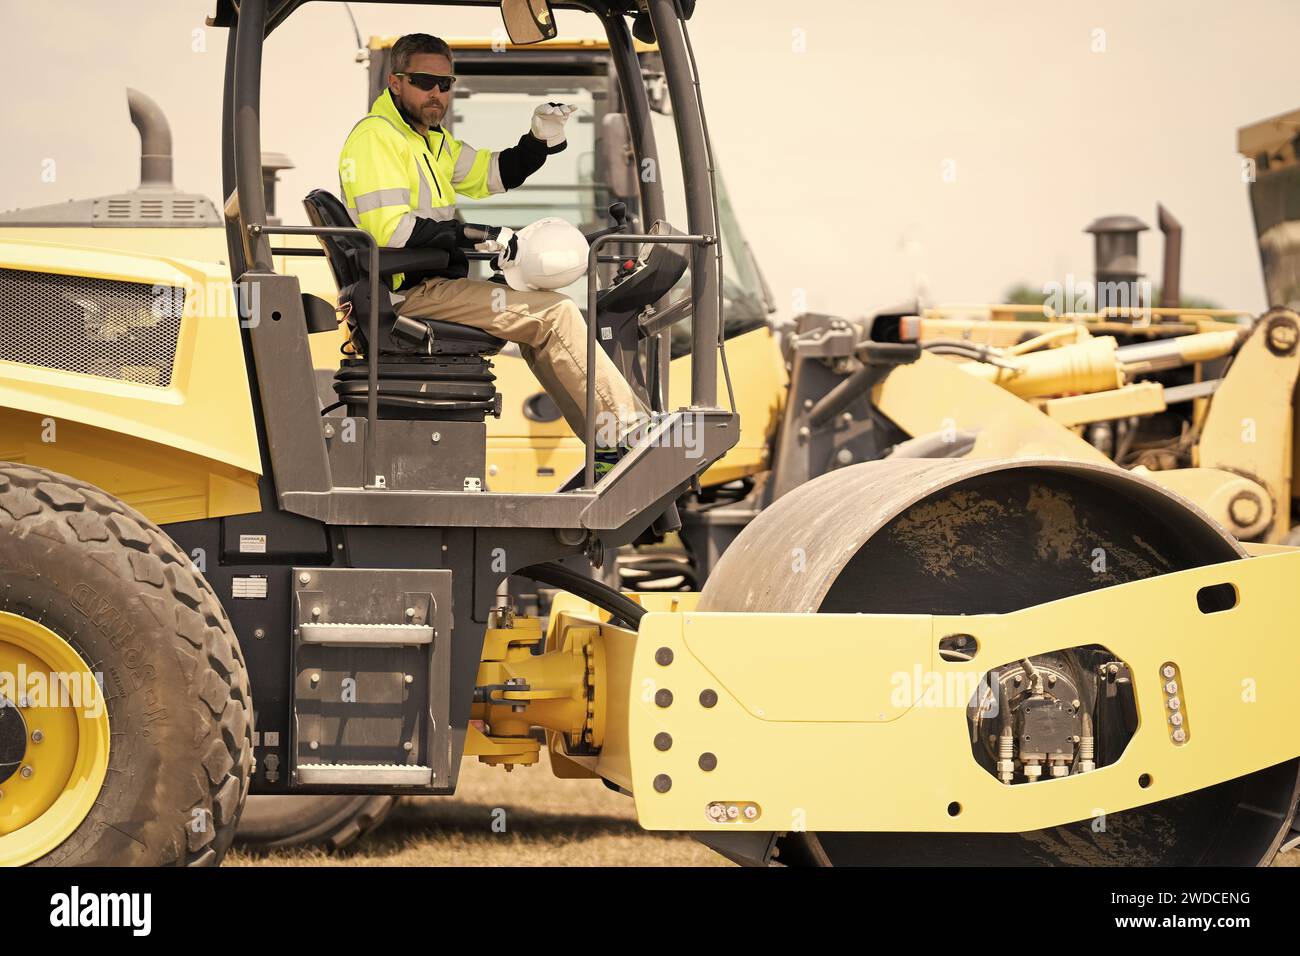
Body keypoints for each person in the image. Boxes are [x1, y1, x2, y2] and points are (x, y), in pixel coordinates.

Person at [338, 33, 645, 473]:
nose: (437, 94)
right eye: (425, 81)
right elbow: (392, 232)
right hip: (407, 292)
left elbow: (489, 173)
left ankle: (606, 446)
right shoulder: (377, 138)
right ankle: (630, 435)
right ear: (395, 81)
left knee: (538, 321)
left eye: (446, 84)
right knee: (554, 314)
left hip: (428, 282)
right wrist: (481, 235)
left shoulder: (428, 140)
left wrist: (538, 142)